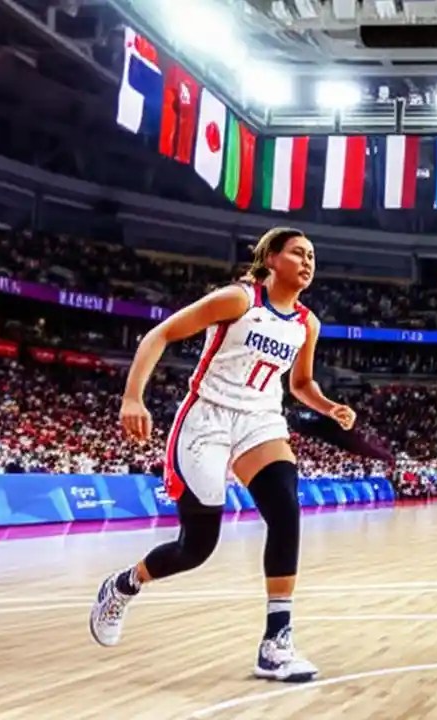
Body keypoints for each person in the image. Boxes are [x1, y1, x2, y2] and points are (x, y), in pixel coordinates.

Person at [88, 227, 356, 684]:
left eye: (312, 256)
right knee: (196, 547)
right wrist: (133, 397)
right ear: (271, 258)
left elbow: (300, 384)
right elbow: (160, 334)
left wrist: (329, 406)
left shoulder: (306, 324)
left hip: (260, 421)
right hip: (207, 418)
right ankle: (124, 584)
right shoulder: (239, 299)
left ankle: (277, 642)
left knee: (286, 510)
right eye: (297, 253)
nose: (308, 262)